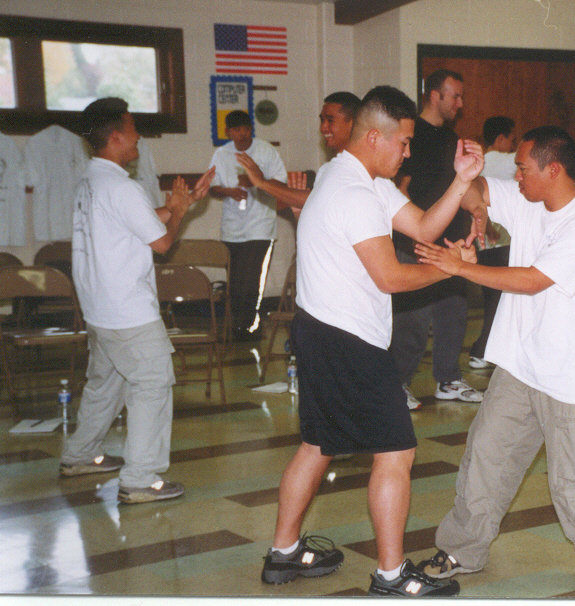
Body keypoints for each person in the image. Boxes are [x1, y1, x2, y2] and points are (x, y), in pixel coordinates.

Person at [259, 85, 484, 597]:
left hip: (318, 332)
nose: (407, 152)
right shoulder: (354, 194)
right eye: (403, 143)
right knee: (397, 452)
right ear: (377, 137)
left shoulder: (355, 176)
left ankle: (284, 552)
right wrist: (449, 270)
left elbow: (424, 225)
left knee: (317, 444)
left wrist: (461, 181)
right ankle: (390, 576)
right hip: (347, 340)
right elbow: (391, 278)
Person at [414, 126, 575, 595]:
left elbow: (533, 280)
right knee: (486, 459)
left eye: (522, 168)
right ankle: (462, 549)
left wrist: (460, 267)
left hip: (568, 375)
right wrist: (471, 189)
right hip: (519, 366)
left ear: (552, 169)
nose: (515, 176)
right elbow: (476, 193)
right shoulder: (529, 201)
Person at [61, 97, 214, 504]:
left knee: (105, 382)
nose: (138, 136)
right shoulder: (121, 186)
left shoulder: (92, 180)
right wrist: (179, 213)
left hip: (100, 307)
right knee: (151, 383)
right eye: (132, 128)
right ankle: (141, 479)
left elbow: (140, 221)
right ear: (115, 136)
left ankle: (79, 455)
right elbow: (163, 242)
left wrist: (181, 205)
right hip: (128, 309)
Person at [391, 69, 483, 410]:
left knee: (453, 312)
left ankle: (448, 378)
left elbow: (464, 186)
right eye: (454, 96)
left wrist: (478, 213)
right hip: (416, 241)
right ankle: (397, 383)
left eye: (461, 96)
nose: (459, 103)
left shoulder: (451, 138)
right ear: (434, 95)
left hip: (452, 243)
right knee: (412, 318)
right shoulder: (412, 135)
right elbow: (398, 189)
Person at [208, 109, 287, 341]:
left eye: (245, 129)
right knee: (236, 280)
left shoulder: (265, 150)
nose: (242, 134)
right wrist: (228, 191)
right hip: (232, 227)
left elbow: (280, 183)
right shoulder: (221, 154)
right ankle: (235, 327)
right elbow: (212, 187)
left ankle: (250, 326)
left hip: (260, 225)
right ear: (228, 132)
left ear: (251, 129)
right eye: (236, 130)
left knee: (252, 278)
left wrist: (257, 181)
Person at [236, 92, 361, 212]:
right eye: (322, 120)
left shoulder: (359, 166)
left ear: (352, 123)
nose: (323, 128)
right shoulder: (327, 168)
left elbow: (315, 200)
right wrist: (298, 213)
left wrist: (262, 183)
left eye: (330, 120)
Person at [467, 116, 516, 370]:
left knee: (492, 300)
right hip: (500, 244)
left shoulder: (479, 163)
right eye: (511, 139)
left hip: (482, 243)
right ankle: (482, 350)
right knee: (498, 301)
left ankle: (484, 349)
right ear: (500, 139)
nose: (512, 145)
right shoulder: (505, 160)